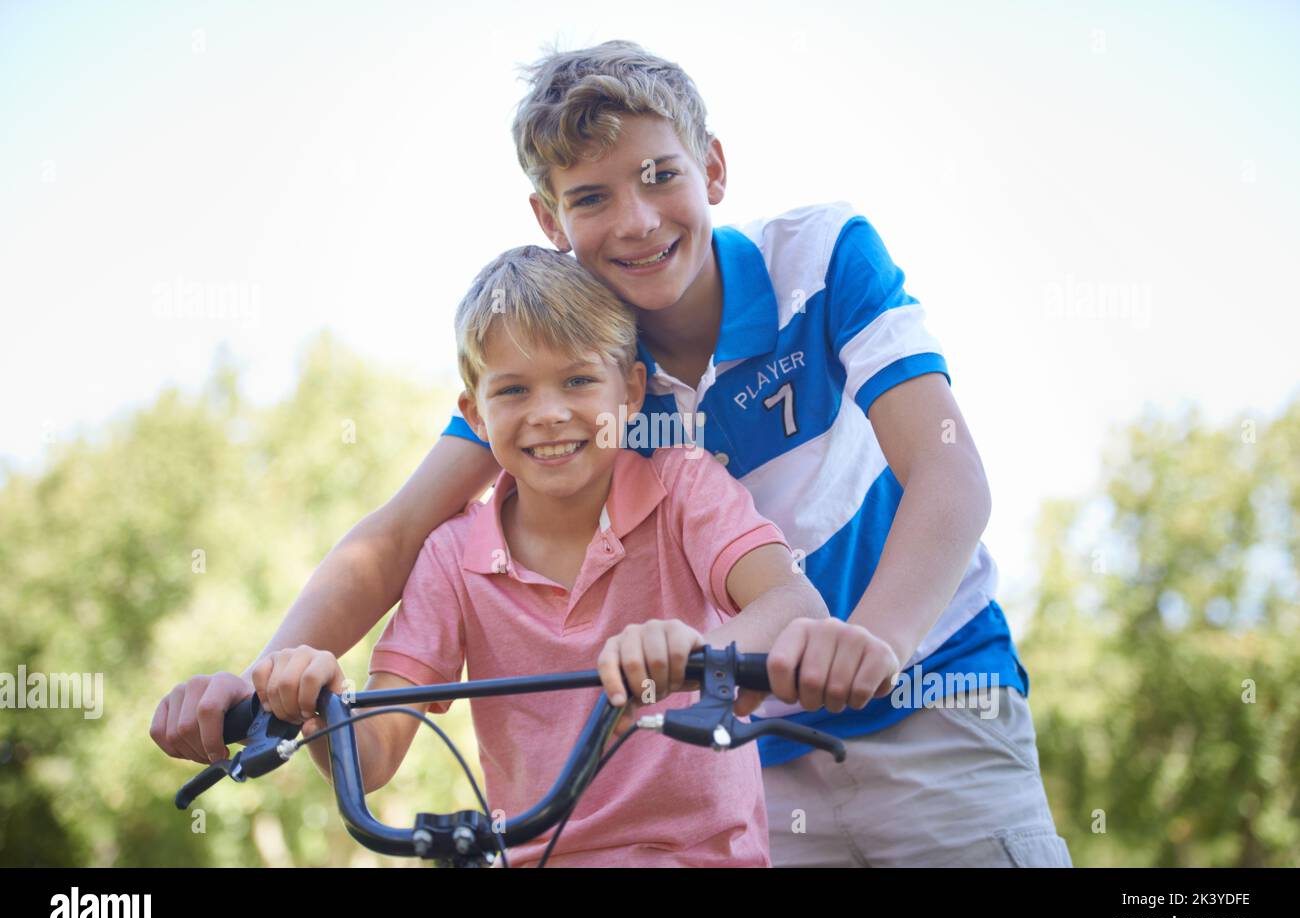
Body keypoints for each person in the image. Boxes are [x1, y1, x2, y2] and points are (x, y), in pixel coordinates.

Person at [153, 39, 1070, 867]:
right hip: (747, 747)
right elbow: (394, 538)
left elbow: (949, 475)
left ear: (712, 166)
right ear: (551, 218)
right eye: (591, 196)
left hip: (930, 685)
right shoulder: (572, 367)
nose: (634, 221)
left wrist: (869, 643)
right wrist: (264, 682)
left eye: (660, 175)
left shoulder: (820, 260)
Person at [249, 244, 831, 866]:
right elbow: (372, 761)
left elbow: (797, 604)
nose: (549, 414)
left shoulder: (683, 486)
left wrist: (695, 652)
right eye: (513, 390)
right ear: (475, 413)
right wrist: (319, 704)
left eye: (578, 380)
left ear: (632, 392)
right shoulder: (452, 556)